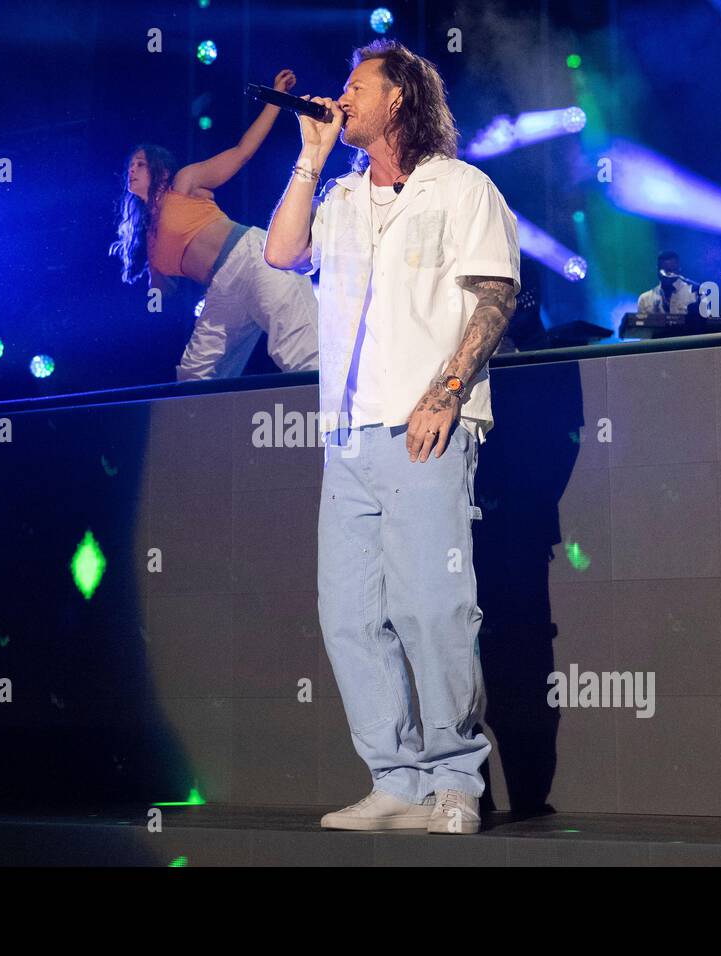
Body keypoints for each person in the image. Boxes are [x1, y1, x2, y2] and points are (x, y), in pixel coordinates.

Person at [265, 39, 520, 834]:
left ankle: (455, 786)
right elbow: (280, 252)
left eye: (354, 86)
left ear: (398, 99)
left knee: (432, 609)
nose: (339, 98)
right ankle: (395, 779)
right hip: (346, 435)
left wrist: (446, 393)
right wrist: (307, 157)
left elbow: (496, 295)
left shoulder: (461, 187)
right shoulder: (337, 195)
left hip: (422, 425)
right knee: (349, 616)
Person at [110, 69, 319, 381]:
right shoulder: (150, 245)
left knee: (304, 355)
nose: (132, 169)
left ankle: (335, 425)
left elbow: (242, 151)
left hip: (253, 259)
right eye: (130, 165)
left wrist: (276, 99)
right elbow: (160, 295)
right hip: (221, 290)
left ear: (160, 170)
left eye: (141, 163)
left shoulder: (183, 185)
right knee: (195, 378)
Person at [637, 250, 697, 315]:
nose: (665, 275)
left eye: (670, 271)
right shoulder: (645, 299)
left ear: (679, 270)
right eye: (662, 271)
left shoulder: (693, 294)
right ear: (657, 270)